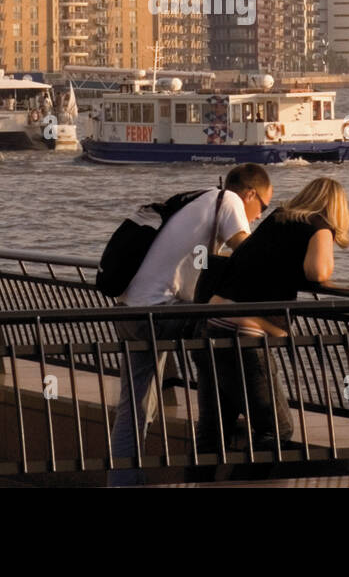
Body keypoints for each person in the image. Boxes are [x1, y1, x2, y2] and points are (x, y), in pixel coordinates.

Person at [107, 163, 272, 486]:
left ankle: (124, 482)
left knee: (134, 406)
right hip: (158, 313)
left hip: (129, 309)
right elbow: (249, 254)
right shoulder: (231, 202)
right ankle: (232, 413)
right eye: (263, 207)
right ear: (250, 193)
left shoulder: (200, 199)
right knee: (227, 323)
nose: (258, 216)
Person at [194, 177, 349, 455]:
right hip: (242, 336)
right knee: (276, 430)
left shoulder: (276, 218)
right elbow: (318, 272)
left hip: (211, 324)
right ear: (337, 208)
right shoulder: (319, 226)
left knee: (215, 428)